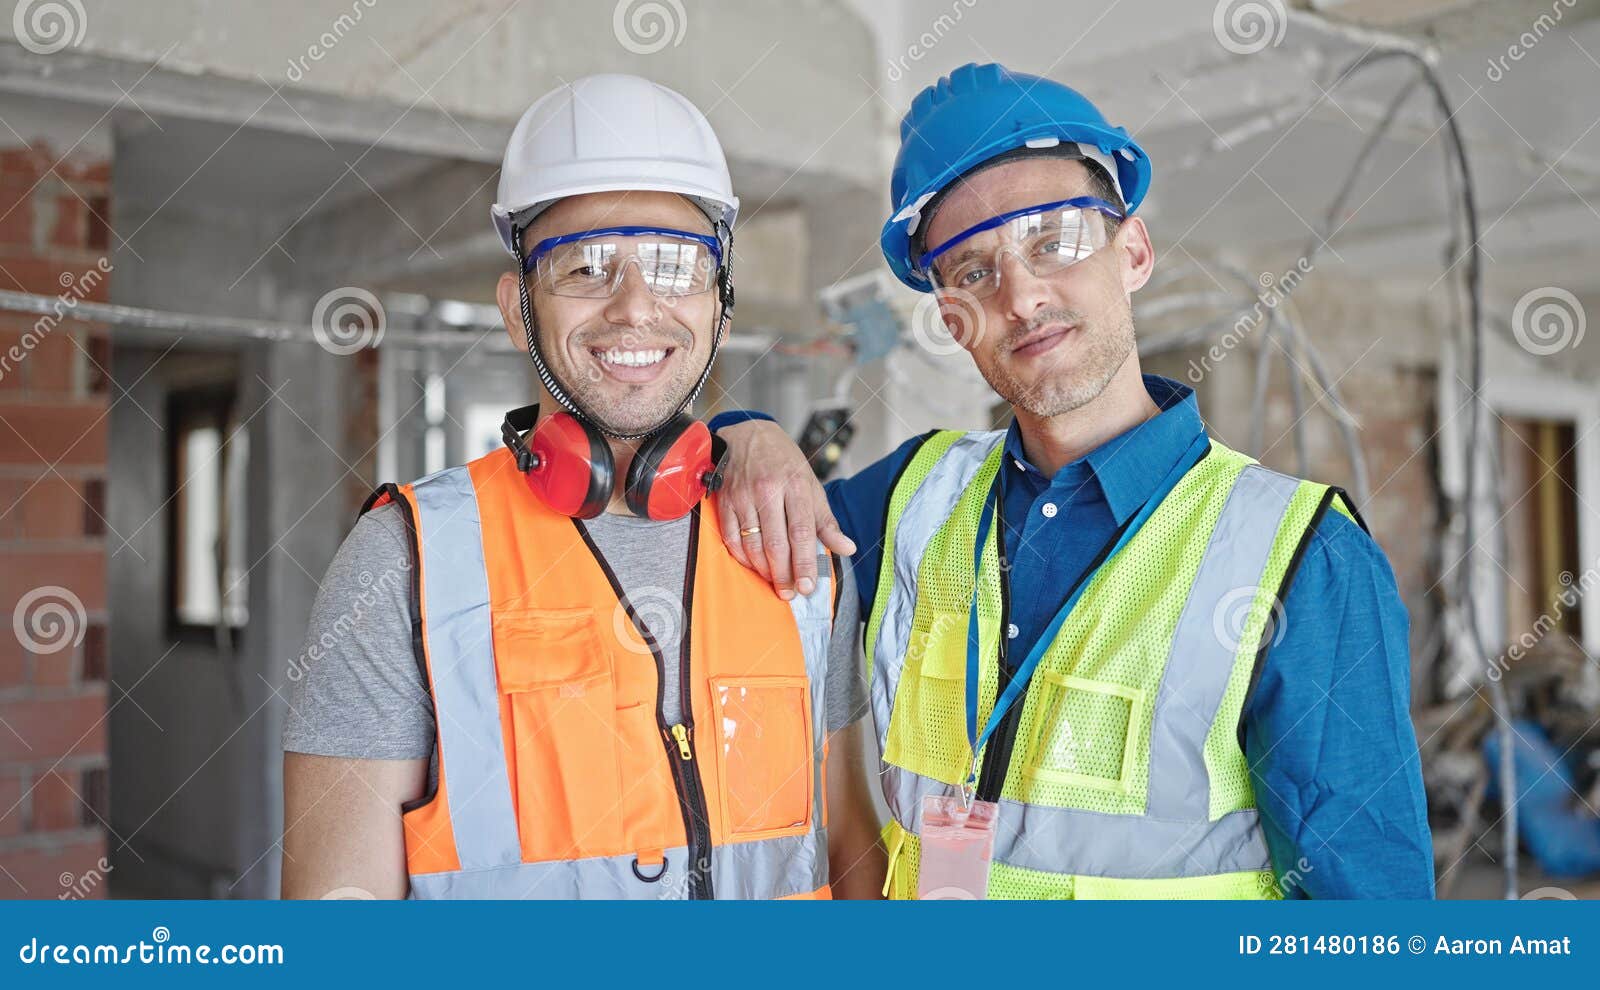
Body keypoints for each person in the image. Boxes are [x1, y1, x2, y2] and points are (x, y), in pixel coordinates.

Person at [710, 63, 1433, 898]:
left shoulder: (1301, 557)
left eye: (1053, 243)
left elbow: (1371, 918)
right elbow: (731, 547)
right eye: (973, 271)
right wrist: (745, 436)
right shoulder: (911, 496)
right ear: (951, 320)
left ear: (1134, 253)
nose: (1021, 297)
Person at [280, 74, 883, 900]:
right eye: (586, 267)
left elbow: (847, 849)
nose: (634, 307)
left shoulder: (797, 550)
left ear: (721, 308)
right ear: (517, 309)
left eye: (675, 266)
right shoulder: (408, 563)